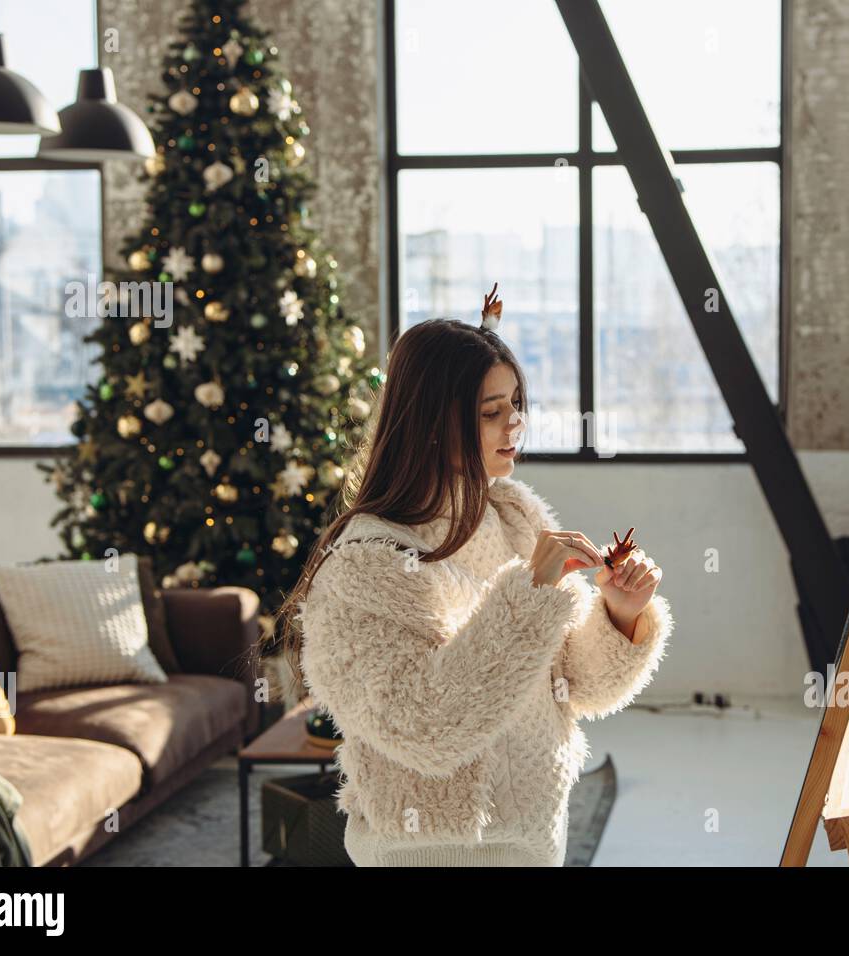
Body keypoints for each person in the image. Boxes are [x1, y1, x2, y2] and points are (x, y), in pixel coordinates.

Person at [270, 290, 674, 866]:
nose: (516, 421)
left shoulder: (514, 515)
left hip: (536, 841)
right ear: (434, 421)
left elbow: (576, 688)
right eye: (491, 411)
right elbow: (427, 727)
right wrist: (532, 594)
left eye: (516, 403)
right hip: (432, 854)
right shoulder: (365, 562)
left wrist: (620, 614)